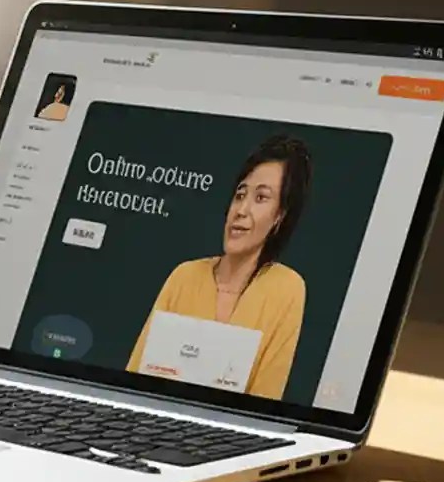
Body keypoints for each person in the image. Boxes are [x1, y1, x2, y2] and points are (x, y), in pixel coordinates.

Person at [126, 134, 311, 400]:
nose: (241, 210)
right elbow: (134, 378)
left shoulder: (287, 289)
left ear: (279, 217)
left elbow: (265, 400)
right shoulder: (184, 276)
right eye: (240, 195)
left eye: (261, 198)